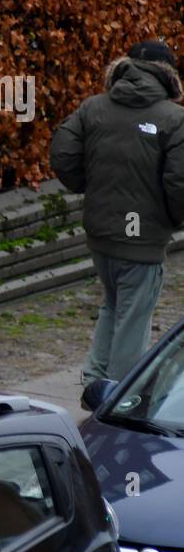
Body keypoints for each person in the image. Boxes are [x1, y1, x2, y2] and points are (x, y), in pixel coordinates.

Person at [50, 39, 184, 390]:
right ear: (166, 76)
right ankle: (119, 395)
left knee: (112, 305)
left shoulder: (93, 107)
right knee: (133, 319)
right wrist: (170, 220)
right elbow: (180, 182)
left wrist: (86, 185)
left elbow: (63, 153)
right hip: (143, 242)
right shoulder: (174, 119)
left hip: (101, 236)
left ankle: (94, 382)